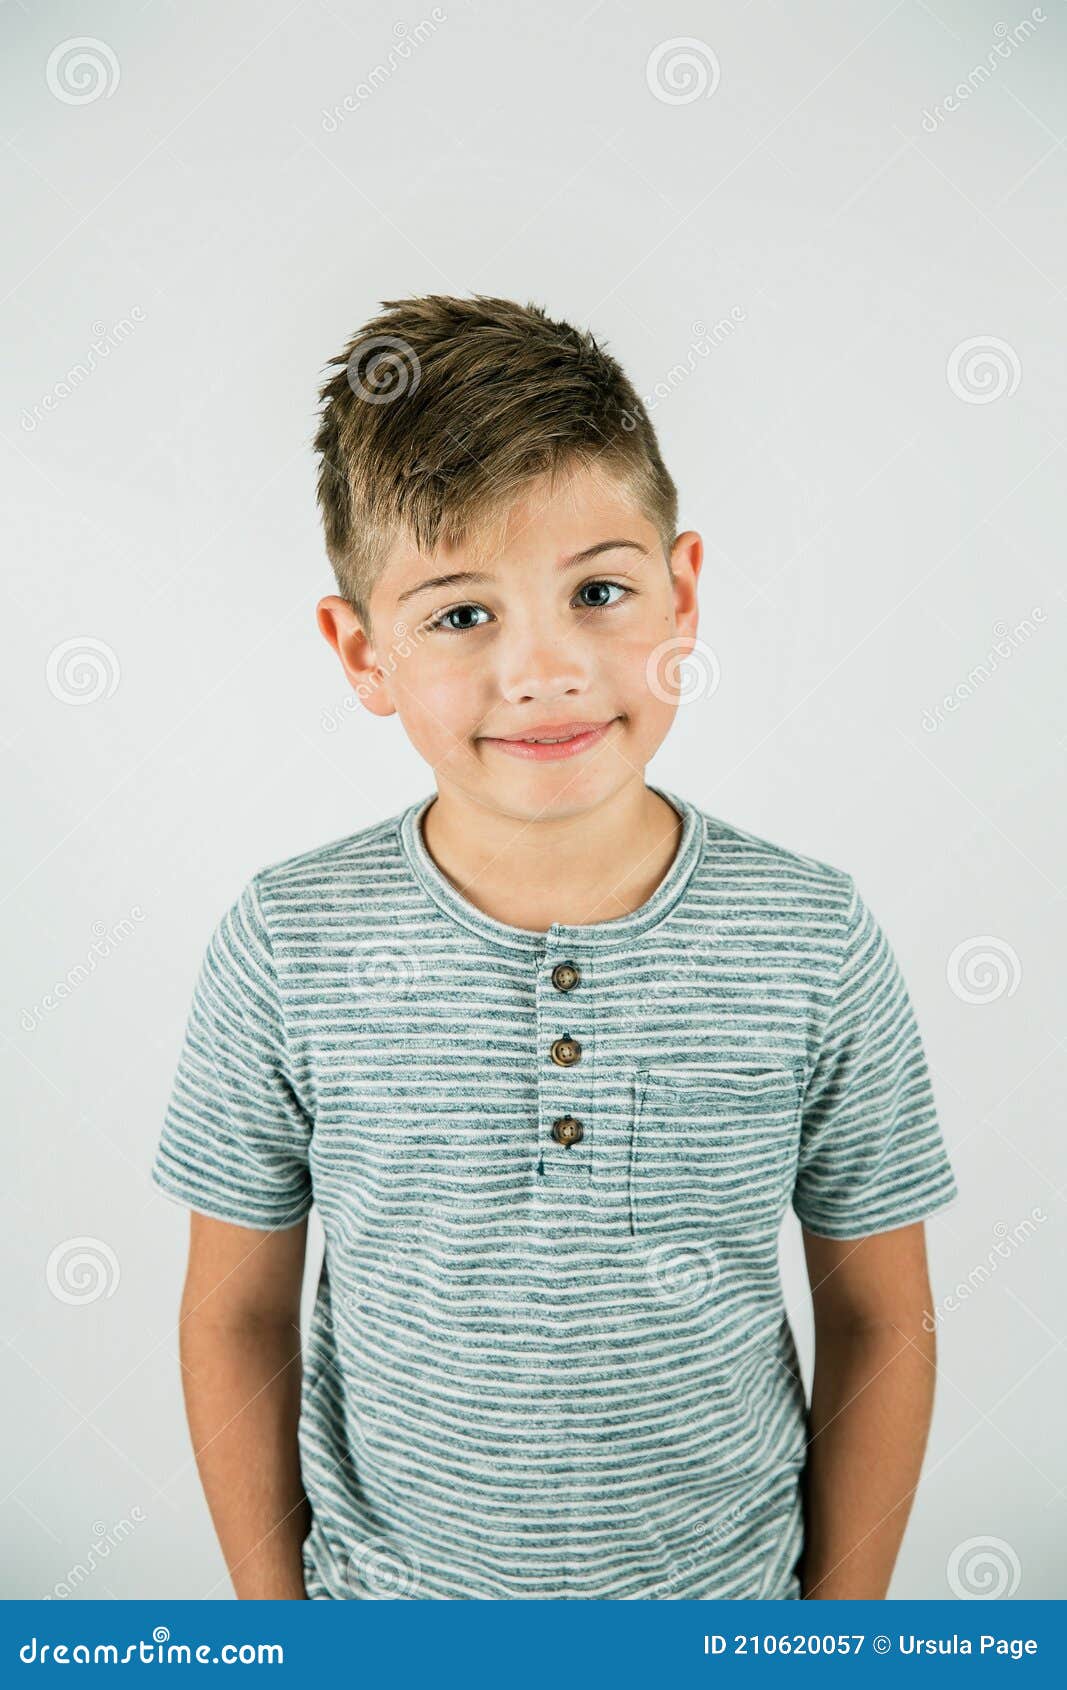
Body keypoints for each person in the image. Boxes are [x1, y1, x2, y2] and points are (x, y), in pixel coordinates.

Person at [151, 293, 959, 1601]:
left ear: (681, 594)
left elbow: (880, 1314)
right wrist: (282, 1640)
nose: (546, 668)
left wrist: (837, 1638)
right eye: (461, 614)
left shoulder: (813, 935)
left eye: (598, 590)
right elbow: (236, 1312)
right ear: (363, 652)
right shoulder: (286, 944)